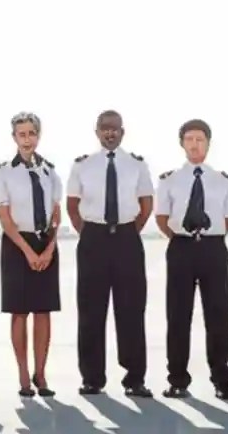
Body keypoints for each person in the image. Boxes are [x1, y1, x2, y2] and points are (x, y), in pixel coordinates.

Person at [154, 119, 228, 401]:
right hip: (181, 248)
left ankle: (222, 381)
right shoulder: (169, 180)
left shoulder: (222, 181)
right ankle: (177, 380)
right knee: (178, 316)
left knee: (218, 315)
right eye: (189, 139)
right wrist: (182, 239)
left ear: (208, 143)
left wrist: (207, 239)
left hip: (213, 249)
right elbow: (162, 218)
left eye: (200, 139)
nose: (194, 144)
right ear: (182, 143)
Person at [66, 109, 153, 398]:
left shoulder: (136, 165)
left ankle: (135, 378)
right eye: (104, 128)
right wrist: (90, 233)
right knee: (91, 311)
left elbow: (146, 204)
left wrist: (128, 230)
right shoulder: (83, 165)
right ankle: (92, 378)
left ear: (122, 132)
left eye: (114, 128)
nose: (110, 132)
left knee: (131, 310)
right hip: (93, 239)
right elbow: (72, 206)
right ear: (97, 132)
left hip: (127, 238)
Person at [0, 111, 61, 398]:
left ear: (38, 136)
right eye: (22, 134)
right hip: (17, 244)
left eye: (31, 133)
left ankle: (41, 374)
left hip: (46, 243)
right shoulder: (3, 172)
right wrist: (28, 251)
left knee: (43, 311)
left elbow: (56, 215)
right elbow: (5, 218)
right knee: (19, 310)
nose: (27, 139)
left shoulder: (50, 171)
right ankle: (23, 375)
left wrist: (49, 248)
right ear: (14, 137)